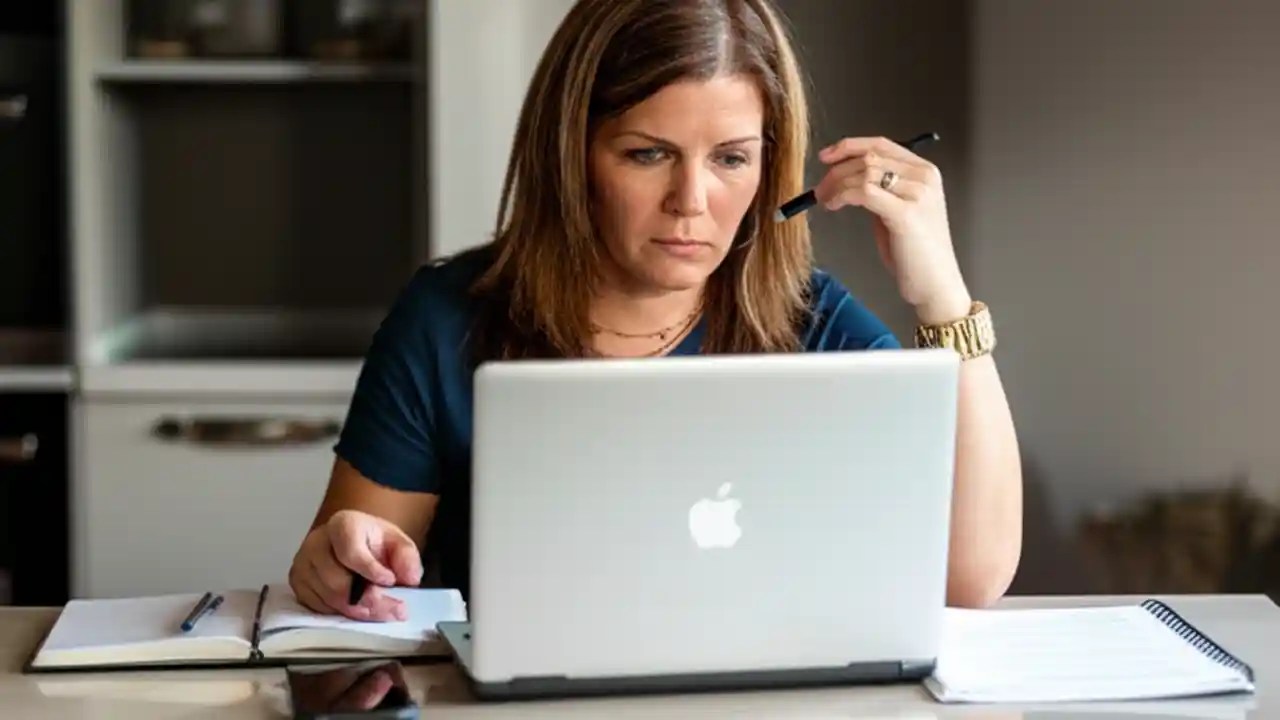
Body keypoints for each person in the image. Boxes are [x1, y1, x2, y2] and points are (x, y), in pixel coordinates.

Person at [288, 0, 1022, 619]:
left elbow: (973, 578)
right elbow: (361, 584)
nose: (692, 202)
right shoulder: (447, 319)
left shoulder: (812, 324)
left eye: (731, 159)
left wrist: (943, 297)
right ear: (570, 154)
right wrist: (342, 563)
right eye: (647, 154)